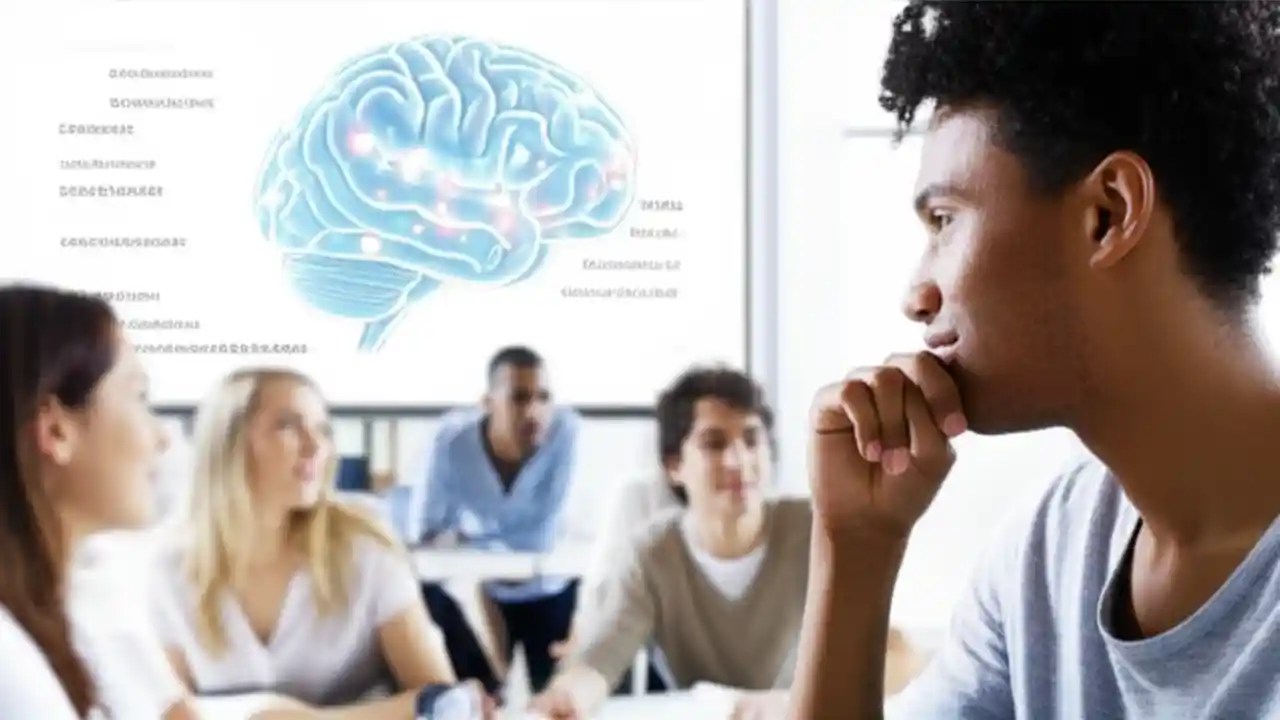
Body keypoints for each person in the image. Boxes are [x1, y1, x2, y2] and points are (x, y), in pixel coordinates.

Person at [790, 3, 1280, 719]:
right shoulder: (1049, 555)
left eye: (945, 220)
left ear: (1107, 215)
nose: (915, 295)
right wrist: (854, 549)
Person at [151, 368, 492, 719]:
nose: (316, 447)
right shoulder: (169, 566)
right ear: (229, 442)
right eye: (288, 425)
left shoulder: (365, 543)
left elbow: (442, 704)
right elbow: (169, 711)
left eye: (323, 430)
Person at [530, 367, 809, 719]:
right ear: (674, 465)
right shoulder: (652, 555)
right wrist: (566, 698)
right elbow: (601, 660)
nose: (739, 461)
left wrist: (795, 700)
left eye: (752, 440)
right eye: (714, 443)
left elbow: (894, 651)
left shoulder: (814, 532)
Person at [0, 284, 198, 719]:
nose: (161, 437)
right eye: (139, 396)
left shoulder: (75, 607)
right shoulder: (9, 657)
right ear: (56, 431)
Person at [414, 346, 582, 693]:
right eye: (519, 398)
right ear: (488, 403)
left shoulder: (567, 432)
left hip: (554, 590)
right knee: (482, 696)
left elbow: (541, 540)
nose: (534, 411)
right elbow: (426, 535)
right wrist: (476, 558)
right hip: (487, 590)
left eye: (544, 398)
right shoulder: (452, 441)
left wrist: (472, 543)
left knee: (556, 700)